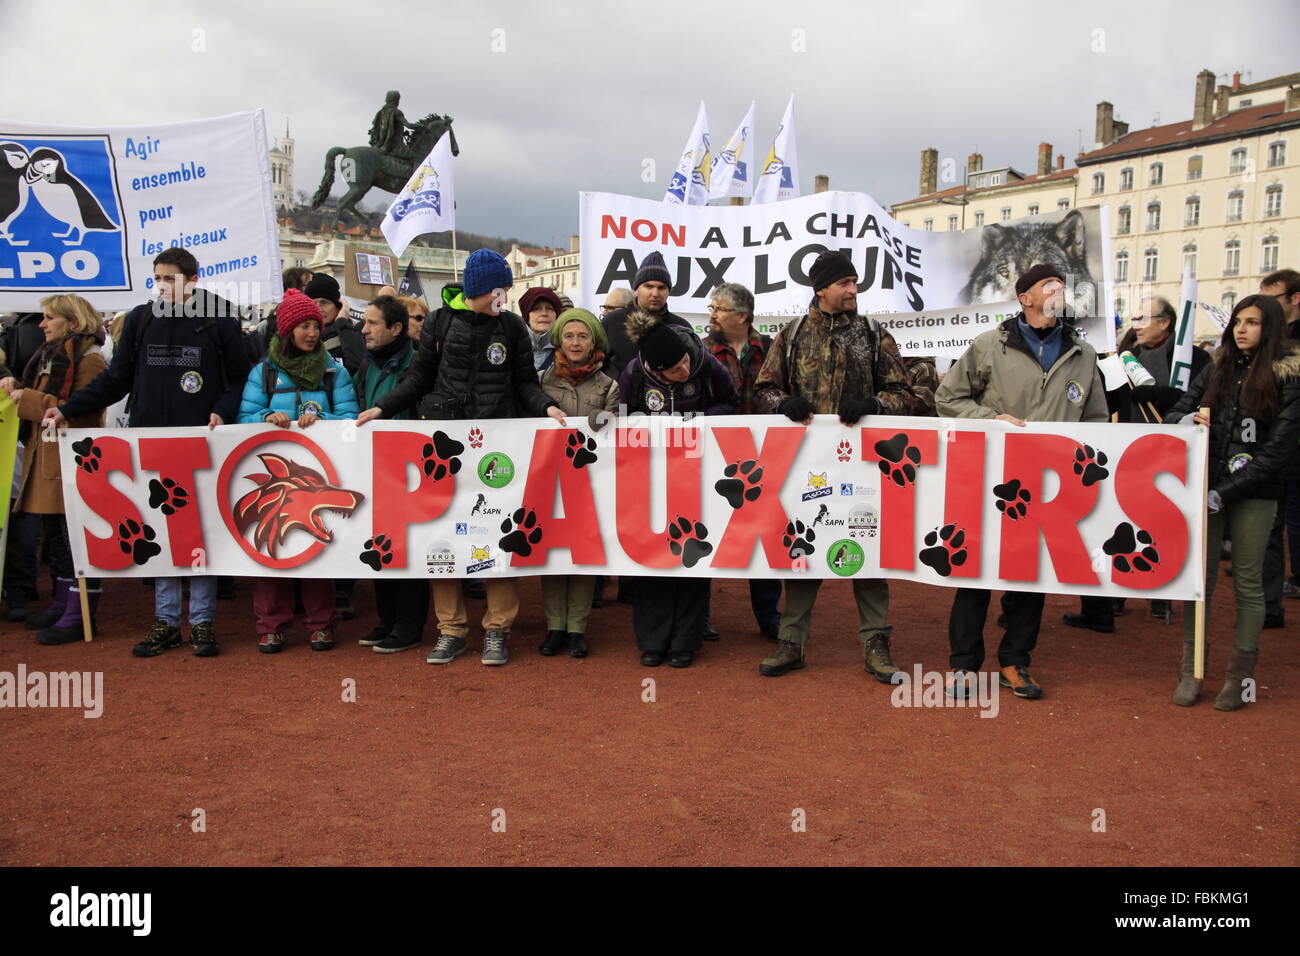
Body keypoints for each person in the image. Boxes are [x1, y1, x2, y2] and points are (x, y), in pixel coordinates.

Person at [356, 248, 567, 667]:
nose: (503, 298)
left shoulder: (511, 327)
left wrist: (546, 407)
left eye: (506, 290)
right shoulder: (439, 321)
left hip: (495, 447)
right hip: (445, 446)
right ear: (478, 290)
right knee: (444, 536)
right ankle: (450, 629)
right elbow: (420, 377)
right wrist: (382, 407)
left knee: (496, 534)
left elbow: (524, 383)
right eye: (498, 290)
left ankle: (496, 629)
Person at [44, 247, 252, 658]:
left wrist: (221, 411)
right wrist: (68, 408)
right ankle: (167, 621)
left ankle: (203, 622)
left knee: (199, 534)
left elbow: (240, 378)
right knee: (160, 532)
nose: (162, 286)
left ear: (193, 280)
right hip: (150, 444)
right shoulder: (141, 319)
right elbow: (117, 379)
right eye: (157, 278)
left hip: (200, 445)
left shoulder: (219, 320)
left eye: (170, 278)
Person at [754, 251, 934, 681]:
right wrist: (784, 403)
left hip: (864, 466)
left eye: (855, 282)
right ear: (821, 289)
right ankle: (791, 642)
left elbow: (906, 393)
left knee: (868, 549)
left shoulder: (873, 334)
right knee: (802, 549)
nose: (854, 290)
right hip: (806, 465)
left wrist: (874, 404)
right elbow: (763, 389)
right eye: (845, 283)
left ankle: (877, 645)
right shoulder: (793, 334)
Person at [935, 263, 1108, 700]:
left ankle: (1016, 662)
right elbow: (948, 398)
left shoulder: (1083, 354)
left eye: (1062, 287)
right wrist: (991, 420)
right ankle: (963, 667)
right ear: (1025, 298)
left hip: (1051, 486)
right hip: (991, 478)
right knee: (975, 575)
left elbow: (1097, 420)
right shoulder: (990, 345)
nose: (1058, 293)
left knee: (1030, 579)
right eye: (1048, 286)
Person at [1166, 294, 1300, 711]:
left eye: (1253, 322)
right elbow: (1175, 417)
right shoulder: (1217, 366)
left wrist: (1222, 493)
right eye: (1238, 321)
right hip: (1207, 487)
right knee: (1197, 583)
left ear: (1271, 327)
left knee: (1247, 582)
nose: (1241, 329)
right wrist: (1191, 419)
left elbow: (1278, 452)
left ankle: (1241, 678)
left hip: (1253, 493)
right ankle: (1192, 670)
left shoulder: (1289, 376)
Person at [1064, 296, 1211, 633]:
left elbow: (1205, 400)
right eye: (1136, 317)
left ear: (1166, 322)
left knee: (1164, 520)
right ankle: (1117, 594)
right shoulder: (1126, 356)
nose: (1137, 323)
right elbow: (1110, 399)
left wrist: (1168, 398)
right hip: (1129, 449)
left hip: (1174, 455)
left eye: (1145, 317)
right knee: (1120, 520)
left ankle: (1161, 594)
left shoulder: (1195, 358)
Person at [237, 289, 360, 653]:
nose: (311, 333)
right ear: (286, 329)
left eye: (315, 326)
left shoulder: (334, 371)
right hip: (273, 476)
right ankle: (270, 626)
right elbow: (243, 417)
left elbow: (351, 418)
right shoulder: (262, 373)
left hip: (318, 475)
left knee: (316, 548)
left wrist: (323, 419)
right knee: (271, 550)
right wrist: (265, 417)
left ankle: (321, 624)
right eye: (303, 326)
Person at [621, 309, 738, 667]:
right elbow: (623, 413)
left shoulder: (706, 363)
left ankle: (686, 641)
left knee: (692, 552)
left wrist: (694, 423)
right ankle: (653, 641)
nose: (685, 372)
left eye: (685, 363)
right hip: (651, 475)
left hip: (697, 471)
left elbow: (731, 404)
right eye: (675, 371)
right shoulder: (634, 372)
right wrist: (640, 421)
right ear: (656, 372)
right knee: (653, 556)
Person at [1, 295, 107, 643]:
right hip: (51, 459)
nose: (42, 324)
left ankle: (78, 613)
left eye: (49, 318)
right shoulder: (56, 356)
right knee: (59, 539)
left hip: (72, 461)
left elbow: (82, 411)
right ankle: (64, 605)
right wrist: (18, 389)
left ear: (72, 322)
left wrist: (25, 399)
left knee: (74, 540)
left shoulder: (89, 361)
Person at [537, 308, 620, 657]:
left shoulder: (609, 386)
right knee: (553, 554)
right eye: (569, 335)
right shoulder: (541, 381)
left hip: (591, 481)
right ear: (559, 339)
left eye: (582, 336)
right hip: (548, 480)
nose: (575, 342)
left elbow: (613, 431)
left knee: (584, 554)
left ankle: (577, 628)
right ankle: (555, 626)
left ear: (594, 341)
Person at [353, 295, 428, 654]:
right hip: (375, 468)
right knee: (379, 544)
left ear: (395, 328)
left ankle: (409, 625)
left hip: (411, 472)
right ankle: (387, 620)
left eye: (372, 323)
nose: (363, 329)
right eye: (364, 322)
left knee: (410, 548)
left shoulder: (417, 364)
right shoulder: (366, 366)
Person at [706, 282, 781, 640]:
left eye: (718, 308)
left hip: (763, 456)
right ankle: (700, 616)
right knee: (706, 529)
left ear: (742, 316)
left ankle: (769, 617)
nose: (712, 314)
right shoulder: (701, 349)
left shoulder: (769, 349)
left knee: (765, 537)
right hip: (714, 454)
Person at [1256, 269, 1300, 621]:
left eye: (1275, 299)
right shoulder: (1271, 341)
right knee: (1273, 524)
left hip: (1287, 443)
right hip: (1275, 445)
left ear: (1295, 298)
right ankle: (1270, 601)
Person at [0, 309, 48, 622]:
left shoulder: (4, 372)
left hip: (11, 453)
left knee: (17, 518)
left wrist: (10, 386)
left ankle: (19, 589)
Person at [601, 252, 692, 379]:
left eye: (661, 287)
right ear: (637, 289)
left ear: (669, 291)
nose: (655, 293)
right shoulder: (612, 322)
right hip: (620, 397)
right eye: (648, 286)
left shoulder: (682, 327)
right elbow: (595, 368)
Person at [519, 286, 563, 372]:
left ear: (556, 315)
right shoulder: (512, 349)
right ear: (527, 316)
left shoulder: (567, 351)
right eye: (536, 308)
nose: (544, 313)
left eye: (550, 308)